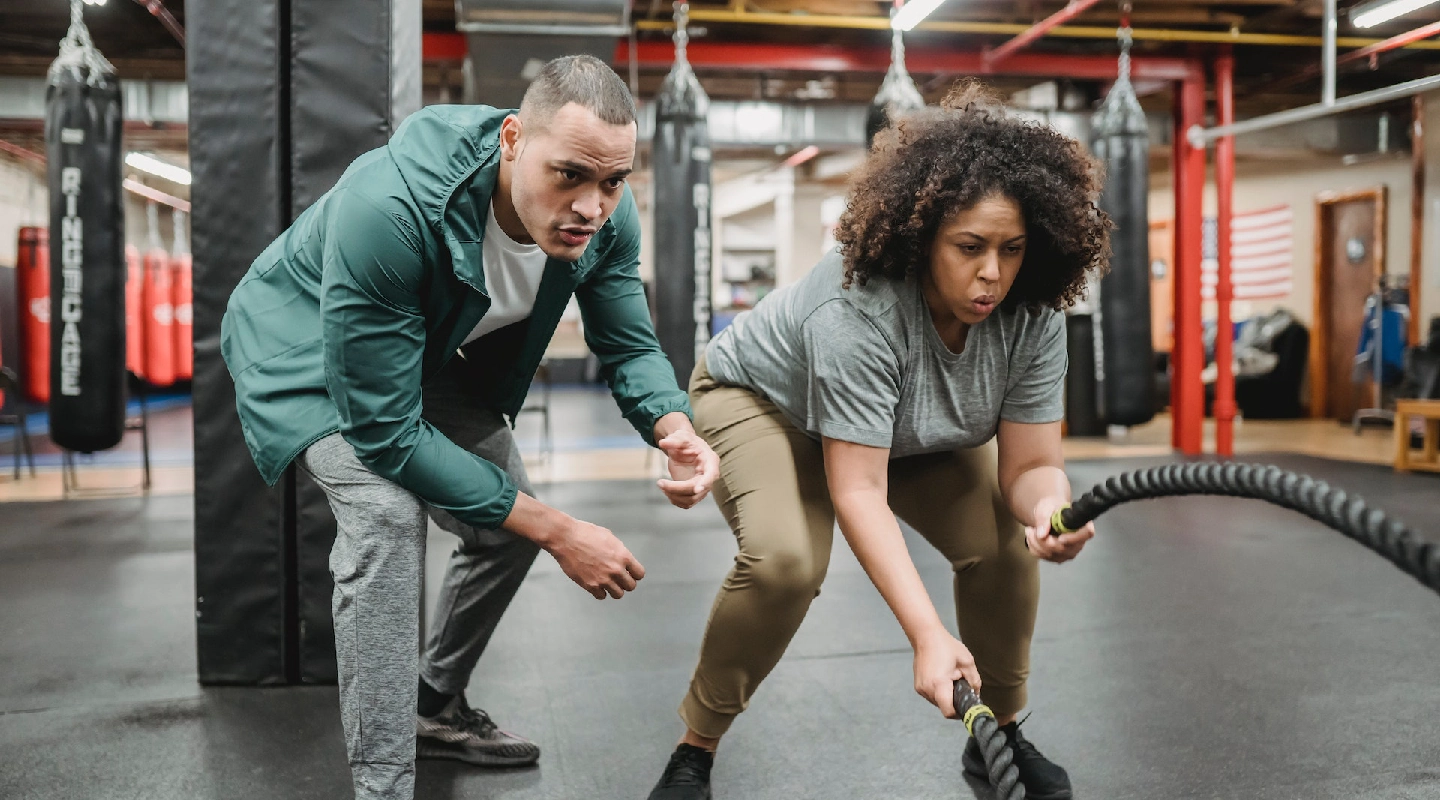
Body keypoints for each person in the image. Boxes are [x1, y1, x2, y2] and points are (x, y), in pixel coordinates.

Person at [220, 55, 719, 800]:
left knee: (508, 515)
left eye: (612, 181)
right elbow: (385, 431)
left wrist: (672, 423)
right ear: (513, 140)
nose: (592, 204)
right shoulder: (388, 206)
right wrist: (558, 529)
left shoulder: (606, 217)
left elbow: (627, 337)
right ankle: (384, 786)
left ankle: (434, 704)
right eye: (571, 175)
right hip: (301, 353)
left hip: (421, 345)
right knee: (388, 518)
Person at [644, 82, 1110, 800]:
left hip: (907, 432)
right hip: (766, 404)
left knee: (1005, 542)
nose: (992, 273)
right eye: (969, 247)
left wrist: (1049, 510)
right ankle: (694, 751)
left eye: (1012, 249)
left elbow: (1033, 464)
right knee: (786, 562)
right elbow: (859, 488)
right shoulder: (859, 303)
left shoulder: (1034, 310)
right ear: (924, 239)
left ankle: (999, 740)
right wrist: (927, 635)